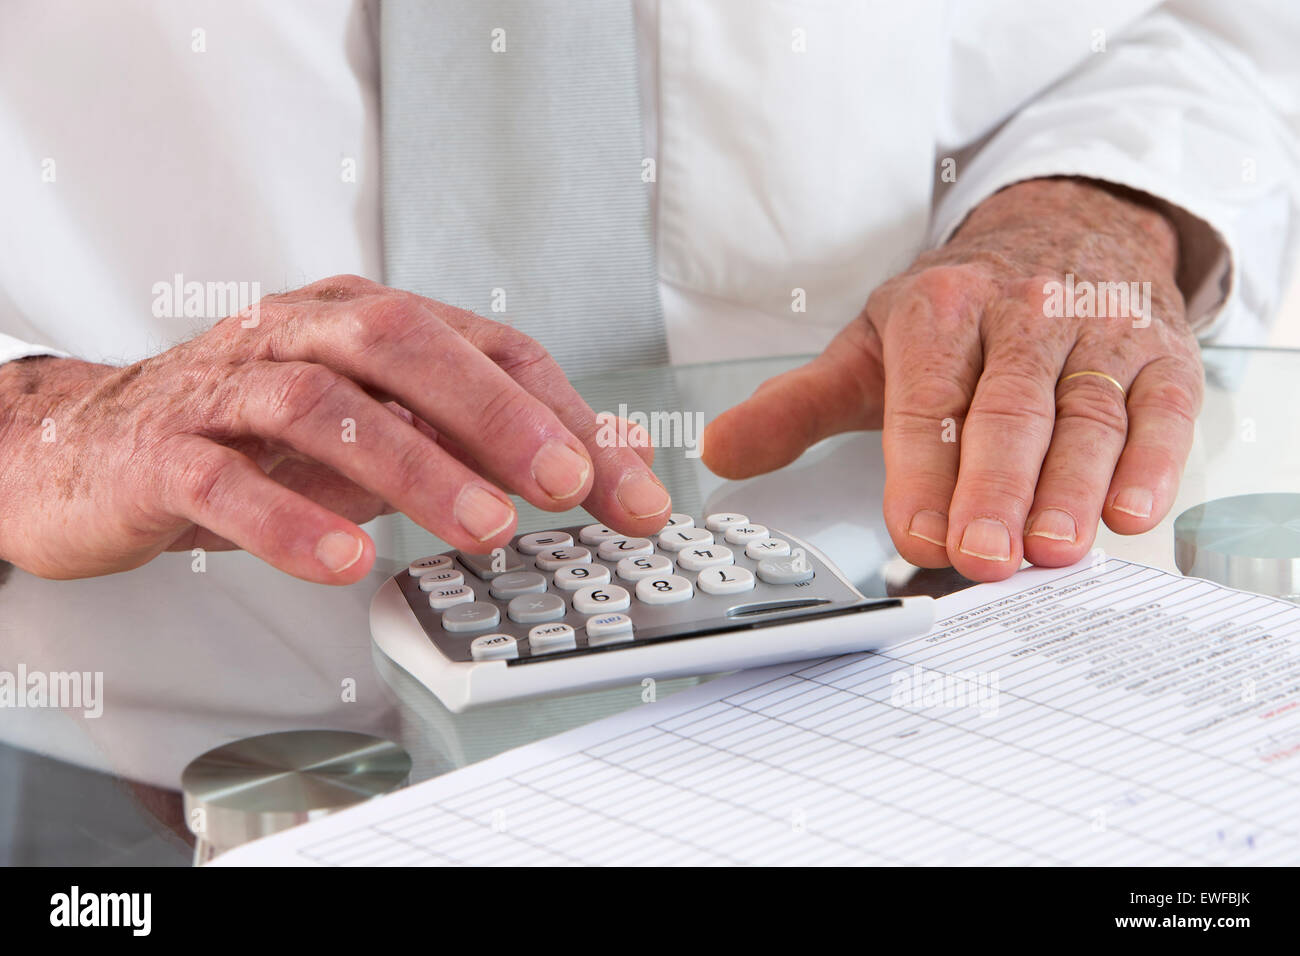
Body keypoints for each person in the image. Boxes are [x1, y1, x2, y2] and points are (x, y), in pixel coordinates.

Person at [0, 0, 1296, 586]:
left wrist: (1093, 208)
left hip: (921, 657)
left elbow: (1230, 29)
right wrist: (31, 424)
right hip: (163, 762)